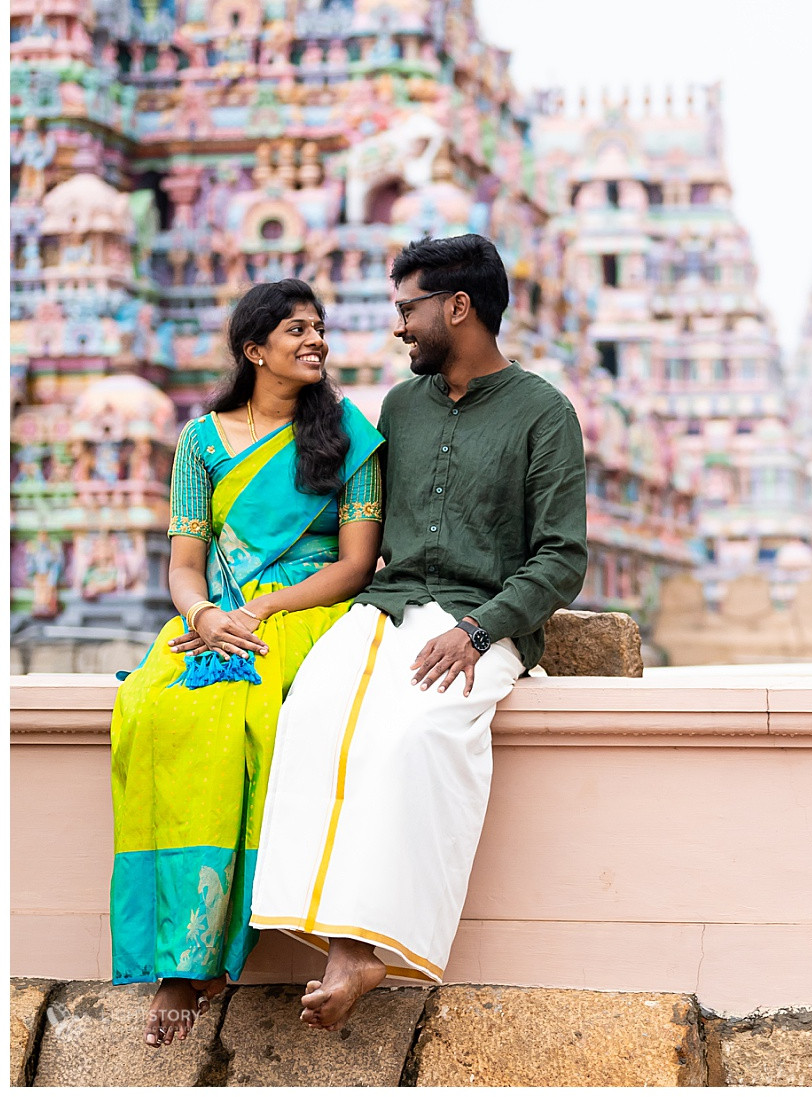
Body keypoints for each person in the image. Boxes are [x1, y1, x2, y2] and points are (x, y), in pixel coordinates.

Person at [250, 234, 588, 1028]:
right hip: (386, 607)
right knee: (312, 712)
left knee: (421, 731)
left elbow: (562, 555)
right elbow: (342, 515)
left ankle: (367, 949)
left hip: (481, 620)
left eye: (408, 308)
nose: (398, 325)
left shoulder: (545, 412)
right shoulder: (400, 407)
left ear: (458, 307)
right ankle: (322, 924)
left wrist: (480, 630)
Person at [109, 279, 384, 1049]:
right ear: (254, 348)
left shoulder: (350, 434)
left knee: (243, 709)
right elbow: (185, 563)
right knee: (151, 707)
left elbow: (357, 564)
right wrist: (202, 614)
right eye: (297, 328)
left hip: (304, 610)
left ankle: (202, 958)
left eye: (320, 329)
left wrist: (261, 610)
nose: (315, 341)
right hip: (214, 613)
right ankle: (178, 948)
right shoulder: (201, 441)